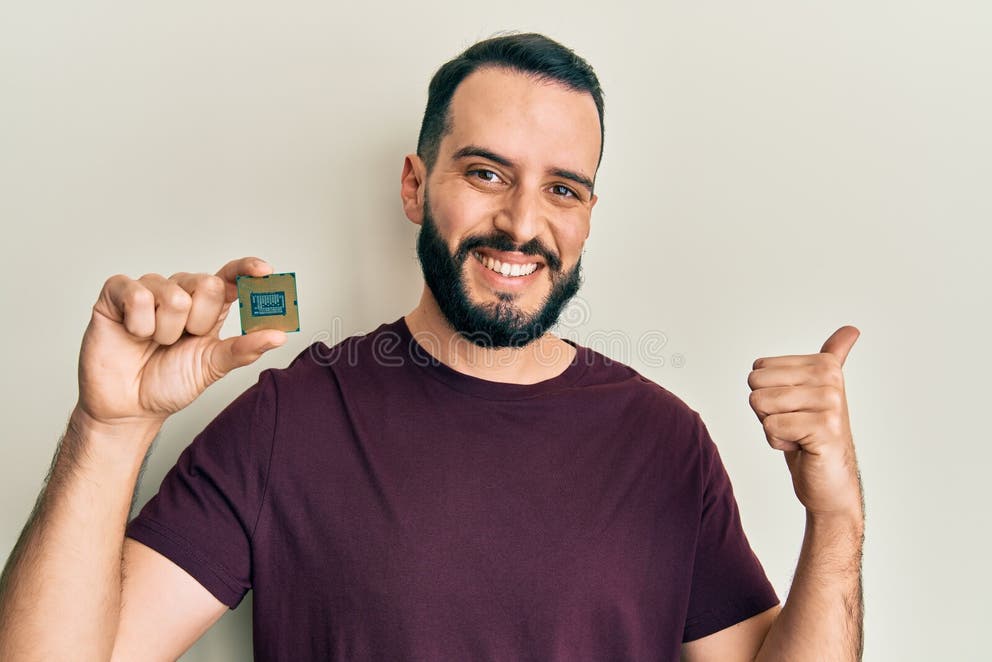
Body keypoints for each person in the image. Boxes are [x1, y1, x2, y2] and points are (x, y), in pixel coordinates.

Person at [0, 33, 864, 661]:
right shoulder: (290, 420)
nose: (523, 224)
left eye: (561, 188)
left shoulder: (666, 443)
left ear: (588, 216)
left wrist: (837, 518)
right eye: (486, 173)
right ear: (416, 185)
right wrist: (107, 429)